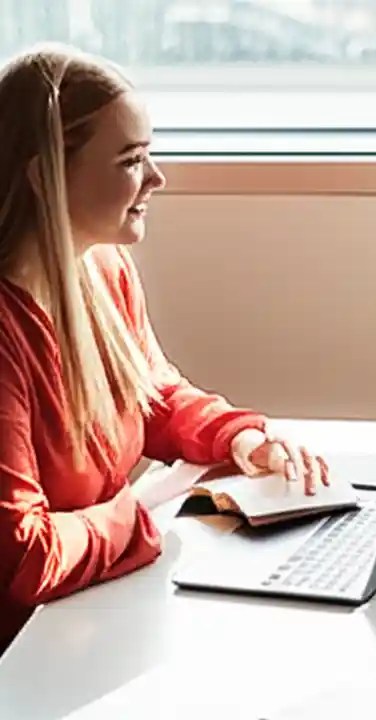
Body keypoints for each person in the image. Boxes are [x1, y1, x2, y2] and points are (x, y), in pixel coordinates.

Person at [0, 45, 330, 652]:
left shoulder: (104, 269)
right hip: (28, 649)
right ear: (45, 176)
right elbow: (25, 560)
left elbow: (152, 397)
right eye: (132, 160)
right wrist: (145, 510)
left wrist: (242, 439)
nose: (157, 178)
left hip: (96, 606)